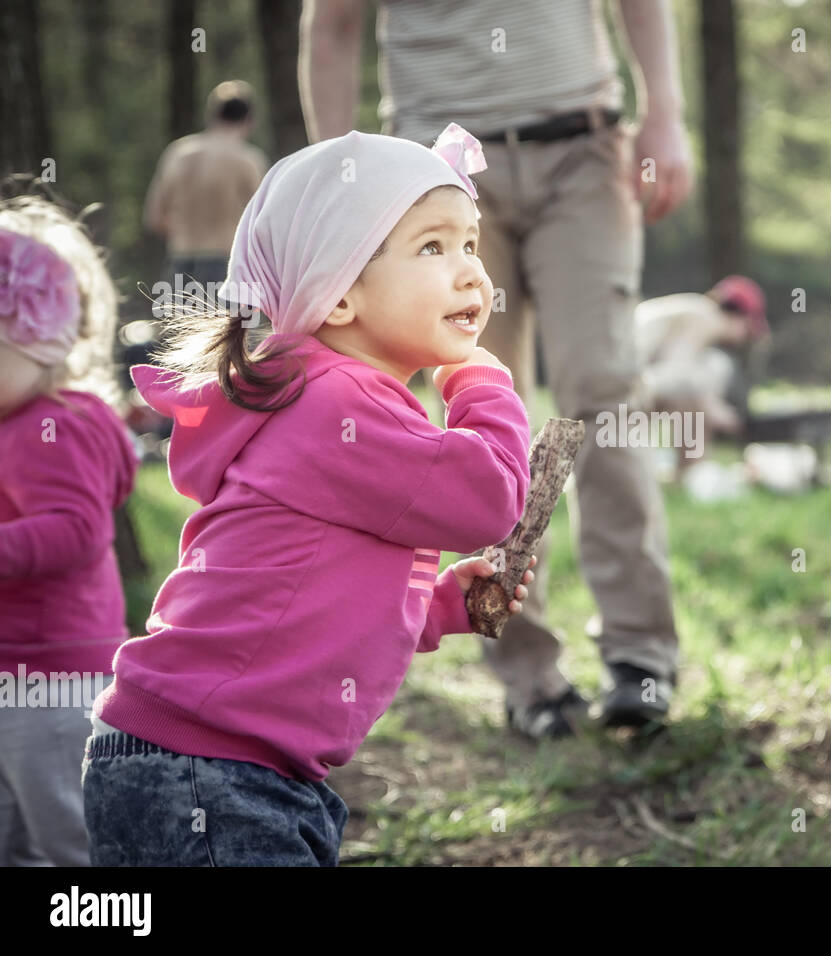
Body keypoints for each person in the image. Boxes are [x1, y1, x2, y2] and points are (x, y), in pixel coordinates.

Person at [81, 127, 539, 866]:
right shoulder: (336, 403)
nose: (469, 275)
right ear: (340, 295)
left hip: (209, 764)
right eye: (432, 248)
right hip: (215, 776)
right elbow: (488, 498)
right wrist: (482, 385)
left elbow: (306, 586)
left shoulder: (314, 394)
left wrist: (438, 606)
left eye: (470, 245)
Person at [301, 0, 694, 738]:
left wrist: (665, 113)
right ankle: (527, 673)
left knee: (601, 392)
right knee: (479, 407)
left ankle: (641, 657)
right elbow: (332, 23)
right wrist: (339, 175)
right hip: (432, 171)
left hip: (583, 149)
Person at [0, 195, 139, 865]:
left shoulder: (54, 426)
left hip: (55, 680)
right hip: (17, 674)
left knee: (68, 835)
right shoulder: (16, 421)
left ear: (37, 340)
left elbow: (76, 529)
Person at [143, 80, 268, 293]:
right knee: (230, 327)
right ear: (249, 120)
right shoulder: (248, 160)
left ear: (211, 116)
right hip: (227, 267)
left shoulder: (177, 153)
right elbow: (264, 223)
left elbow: (153, 218)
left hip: (180, 263)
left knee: (181, 327)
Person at [635, 275, 770, 469]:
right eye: (747, 330)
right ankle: (691, 473)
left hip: (623, 381)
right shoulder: (708, 316)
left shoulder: (695, 310)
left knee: (707, 371)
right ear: (739, 317)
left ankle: (687, 472)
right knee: (704, 378)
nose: (743, 339)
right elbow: (676, 369)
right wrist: (712, 407)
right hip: (620, 385)